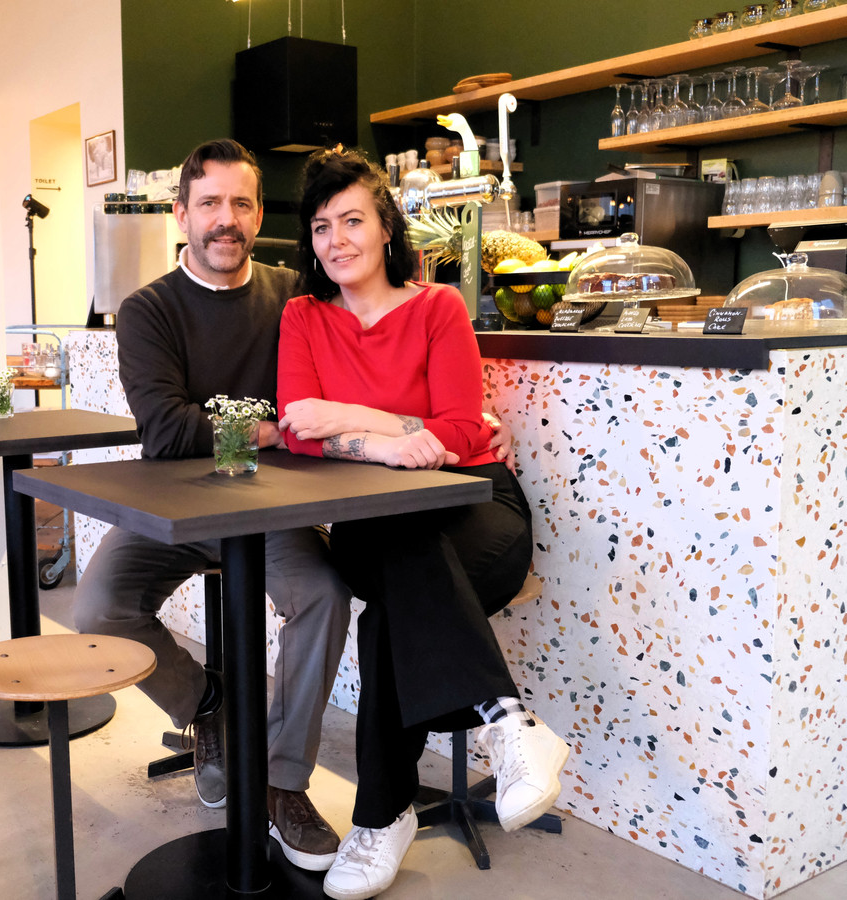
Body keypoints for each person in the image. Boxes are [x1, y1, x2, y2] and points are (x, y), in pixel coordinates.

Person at [276, 146, 571, 900]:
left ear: (385, 228)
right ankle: (508, 722)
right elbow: (298, 430)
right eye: (320, 227)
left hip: (476, 505)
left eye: (352, 221)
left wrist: (354, 418)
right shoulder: (303, 317)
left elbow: (464, 435)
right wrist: (390, 443)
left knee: (389, 616)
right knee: (397, 544)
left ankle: (381, 820)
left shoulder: (437, 307)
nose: (336, 240)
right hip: (369, 521)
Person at [73, 139, 351, 872]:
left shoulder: (296, 295)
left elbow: (343, 379)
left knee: (324, 596)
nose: (225, 219)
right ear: (182, 214)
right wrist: (273, 428)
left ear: (257, 216)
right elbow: (166, 433)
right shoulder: (148, 310)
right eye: (209, 204)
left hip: (271, 509)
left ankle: (283, 780)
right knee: (97, 611)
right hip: (174, 507)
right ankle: (208, 707)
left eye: (240, 204)